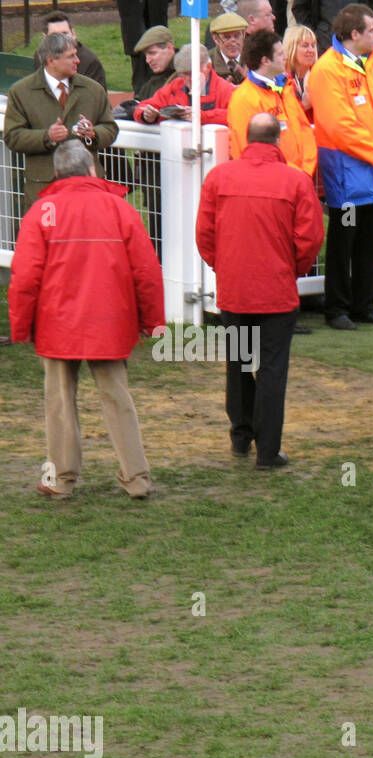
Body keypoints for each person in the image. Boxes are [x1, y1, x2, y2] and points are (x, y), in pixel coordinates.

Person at [7, 140, 163, 501]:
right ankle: (136, 477)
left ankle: (61, 479)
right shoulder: (119, 208)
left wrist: (20, 326)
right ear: (92, 169)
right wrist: (152, 321)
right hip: (110, 319)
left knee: (60, 400)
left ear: (57, 172)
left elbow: (25, 276)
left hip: (57, 322)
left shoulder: (43, 210)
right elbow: (146, 271)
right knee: (117, 398)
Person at [197, 113, 324, 470]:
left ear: (246, 138)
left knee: (238, 363)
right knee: (271, 369)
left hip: (236, 290)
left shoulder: (219, 177)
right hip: (276, 292)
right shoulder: (295, 181)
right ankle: (268, 451)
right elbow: (310, 237)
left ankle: (241, 436)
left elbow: (205, 233)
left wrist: (223, 266)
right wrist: (292, 269)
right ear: (277, 140)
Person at [311, 3, 373, 331]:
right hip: (347, 176)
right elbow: (339, 125)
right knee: (344, 242)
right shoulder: (328, 70)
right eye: (372, 30)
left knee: (370, 241)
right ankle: (337, 307)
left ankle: (364, 304)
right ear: (354, 34)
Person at [5, 31, 117, 215]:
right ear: (51, 61)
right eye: (71, 56)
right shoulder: (21, 92)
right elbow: (12, 136)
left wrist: (94, 134)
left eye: (76, 55)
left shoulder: (93, 90)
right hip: (43, 189)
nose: (78, 61)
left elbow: (110, 128)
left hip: (88, 186)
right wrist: (46, 137)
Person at [228, 31, 317, 178]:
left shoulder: (285, 88)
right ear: (265, 61)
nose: (286, 57)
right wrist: (295, 174)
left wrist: (306, 170)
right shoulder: (244, 99)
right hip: (270, 182)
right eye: (281, 54)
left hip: (298, 178)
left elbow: (304, 129)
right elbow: (249, 151)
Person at [134, 46, 237, 126]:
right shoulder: (175, 86)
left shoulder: (226, 90)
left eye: (192, 73)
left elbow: (239, 115)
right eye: (183, 74)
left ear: (208, 67)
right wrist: (146, 116)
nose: (188, 79)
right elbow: (143, 107)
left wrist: (204, 117)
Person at [33, 10, 106, 90]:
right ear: (45, 38)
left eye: (65, 34)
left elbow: (97, 97)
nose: (61, 39)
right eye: (55, 35)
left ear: (73, 34)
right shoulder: (41, 55)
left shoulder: (89, 61)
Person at [117, 0, 169, 94]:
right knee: (137, 44)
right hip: (132, 10)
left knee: (159, 40)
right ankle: (140, 96)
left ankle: (161, 91)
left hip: (156, 11)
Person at [293, 0, 373, 54]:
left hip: (358, 43)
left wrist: (371, 33)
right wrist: (312, 36)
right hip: (324, 41)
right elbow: (300, 8)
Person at [133, 25, 176, 101]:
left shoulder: (186, 76)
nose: (148, 60)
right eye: (145, 55)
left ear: (169, 47)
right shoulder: (151, 83)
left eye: (152, 53)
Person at [283, 25, 318, 116]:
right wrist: (304, 105)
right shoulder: (280, 80)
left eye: (313, 45)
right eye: (305, 46)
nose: (311, 50)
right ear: (291, 49)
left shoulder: (320, 74)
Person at [210, 12, 250, 85]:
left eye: (237, 36)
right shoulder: (207, 63)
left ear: (244, 35)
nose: (233, 42)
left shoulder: (256, 58)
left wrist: (253, 83)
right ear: (215, 39)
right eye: (227, 37)